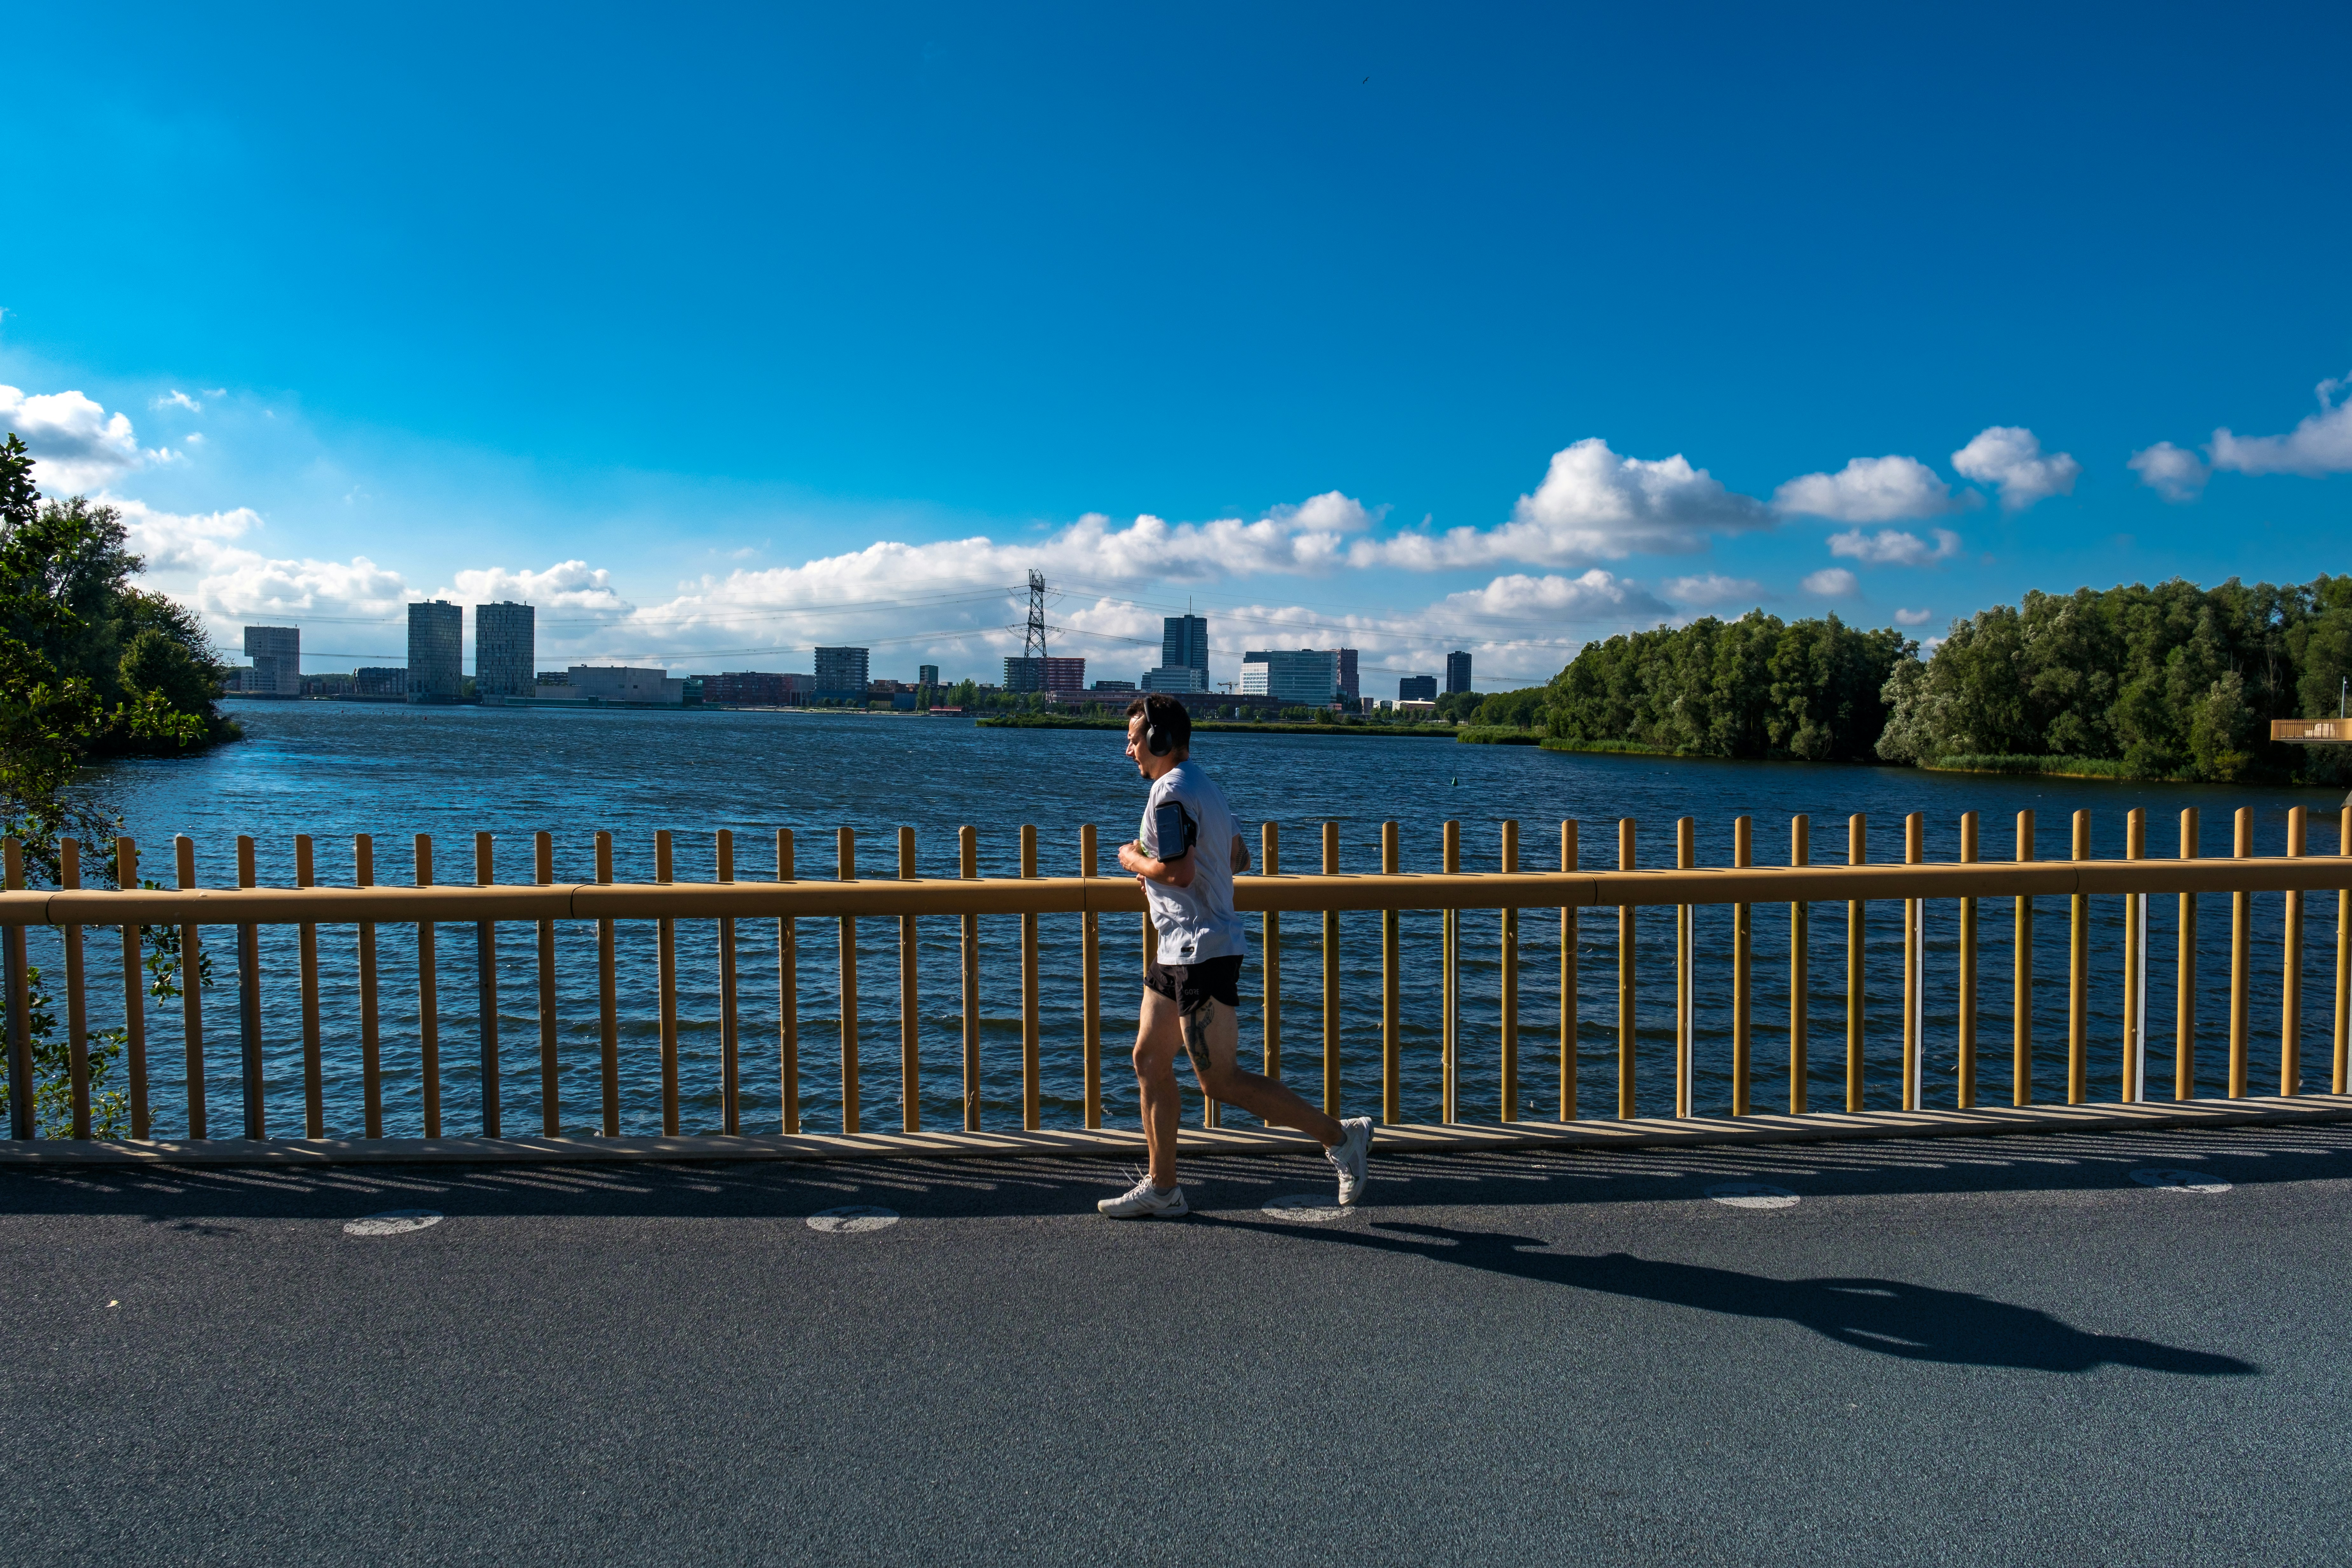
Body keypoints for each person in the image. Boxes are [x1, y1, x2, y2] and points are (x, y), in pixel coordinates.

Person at [1097, 693, 1372, 1219]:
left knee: (1218, 1080)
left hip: (1202, 951)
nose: (1127, 750)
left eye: (1133, 739)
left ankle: (1341, 1138)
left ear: (1158, 740)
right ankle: (1163, 1189)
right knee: (1149, 1060)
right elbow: (1237, 857)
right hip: (1177, 947)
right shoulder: (1204, 786)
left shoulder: (1169, 794)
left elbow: (1177, 870)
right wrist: (1169, 883)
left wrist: (1133, 859)